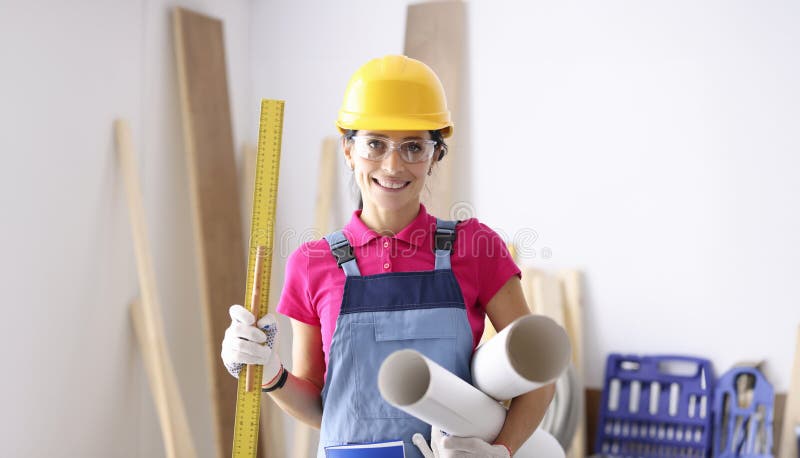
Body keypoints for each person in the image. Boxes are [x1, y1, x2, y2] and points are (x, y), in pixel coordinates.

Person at [221, 55, 555, 457]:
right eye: (375, 144)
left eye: (413, 146)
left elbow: (539, 373)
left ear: (436, 155)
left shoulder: (475, 248)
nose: (393, 165)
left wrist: (502, 451)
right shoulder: (312, 264)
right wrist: (270, 372)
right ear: (348, 149)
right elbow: (323, 406)